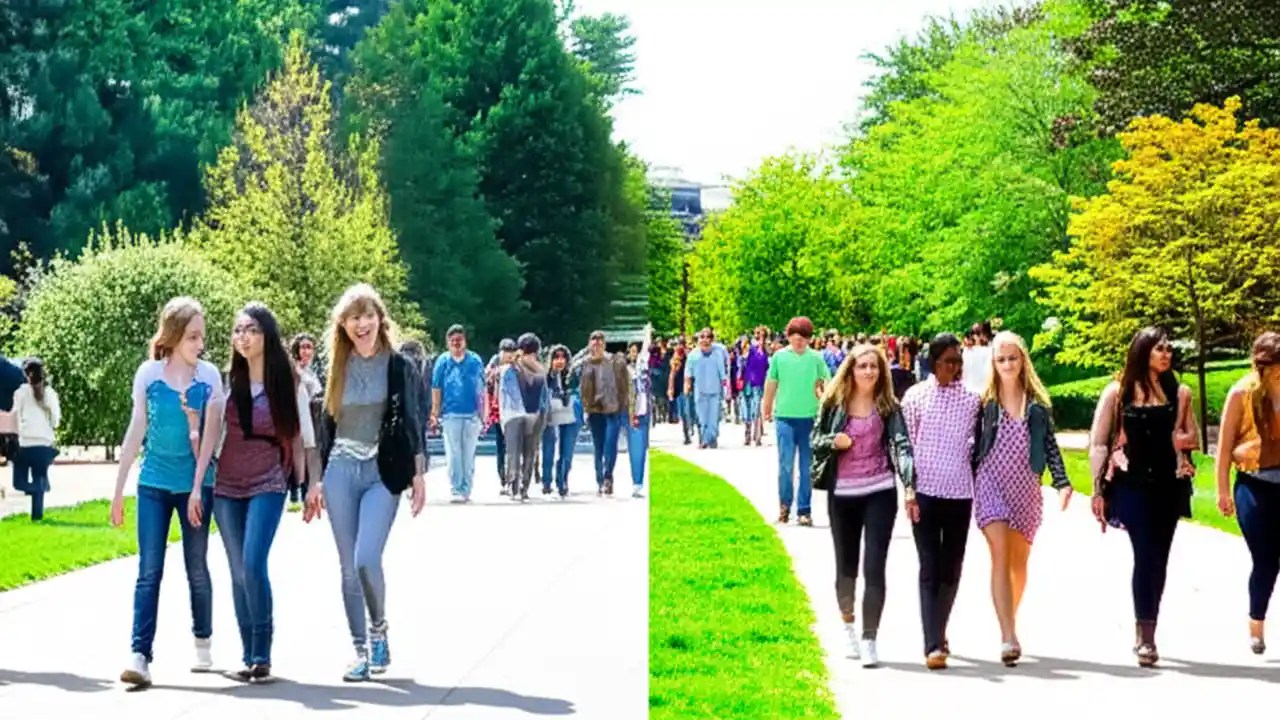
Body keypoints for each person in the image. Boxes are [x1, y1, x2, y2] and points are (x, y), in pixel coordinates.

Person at [198, 303, 318, 683]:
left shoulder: (290, 381)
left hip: (269, 480)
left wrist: (309, 484)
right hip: (227, 484)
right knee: (237, 571)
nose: (242, 337)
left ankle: (262, 655)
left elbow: (305, 439)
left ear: (266, 334)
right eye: (237, 331)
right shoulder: (225, 382)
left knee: (252, 564)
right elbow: (211, 436)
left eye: (250, 329)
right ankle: (249, 655)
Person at [112, 297, 224, 687]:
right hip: (154, 483)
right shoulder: (148, 374)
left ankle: (202, 640)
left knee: (196, 566)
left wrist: (196, 488)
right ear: (174, 336)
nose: (200, 344)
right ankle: (139, 655)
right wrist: (118, 490)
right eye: (193, 336)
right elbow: (135, 430)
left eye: (202, 337)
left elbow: (210, 442)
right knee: (149, 570)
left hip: (196, 486)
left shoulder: (209, 378)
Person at [317, 283, 427, 682]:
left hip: (383, 469)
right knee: (347, 568)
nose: (362, 323)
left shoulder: (399, 366)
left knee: (366, 558)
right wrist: (314, 482)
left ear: (380, 319)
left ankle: (379, 627)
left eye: (368, 315)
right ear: (343, 326)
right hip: (341, 471)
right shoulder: (335, 368)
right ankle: (361, 651)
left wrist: (418, 475)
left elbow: (412, 422)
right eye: (353, 317)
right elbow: (323, 429)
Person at [1088, 327, 1198, 667]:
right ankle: (1144, 635)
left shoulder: (1177, 392)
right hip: (1131, 485)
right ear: (1142, 352)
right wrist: (1096, 489)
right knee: (1145, 554)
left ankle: (1149, 622)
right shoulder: (1118, 393)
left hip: (1168, 484)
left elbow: (1191, 436)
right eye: (1158, 349)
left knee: (1159, 559)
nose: (1165, 355)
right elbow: (1099, 442)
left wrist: (1182, 440)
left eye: (1168, 350)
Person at [971, 331, 1072, 665]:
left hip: (1026, 487)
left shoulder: (1037, 406)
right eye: (1001, 359)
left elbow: (1050, 446)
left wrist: (1062, 481)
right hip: (990, 481)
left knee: (1019, 563)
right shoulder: (985, 404)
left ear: (1023, 360)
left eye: (1012, 358)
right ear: (993, 364)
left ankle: (1009, 619)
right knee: (999, 553)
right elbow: (971, 446)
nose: (1007, 364)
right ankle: (1007, 635)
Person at [811, 344, 914, 667]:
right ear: (851, 370)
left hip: (880, 491)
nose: (868, 371)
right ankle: (847, 624)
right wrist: (834, 441)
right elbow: (815, 440)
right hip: (843, 494)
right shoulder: (833, 404)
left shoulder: (889, 407)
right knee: (847, 566)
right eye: (862, 366)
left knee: (874, 567)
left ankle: (870, 638)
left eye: (874, 366)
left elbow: (901, 445)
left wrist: (909, 484)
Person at [900, 332, 980, 670]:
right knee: (929, 566)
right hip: (925, 494)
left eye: (959, 361)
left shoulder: (972, 401)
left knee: (952, 567)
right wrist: (908, 489)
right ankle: (931, 642)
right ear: (934, 363)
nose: (955, 367)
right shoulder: (916, 397)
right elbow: (904, 446)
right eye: (949, 361)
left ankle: (941, 628)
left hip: (960, 493)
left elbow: (978, 444)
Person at [1215, 331, 1280, 655]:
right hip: (1253, 483)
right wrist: (1223, 491)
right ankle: (1257, 624)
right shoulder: (1241, 393)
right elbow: (1224, 447)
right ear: (1264, 365)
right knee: (1266, 559)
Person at [762, 317, 830, 526]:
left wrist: (826, 405)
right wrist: (767, 407)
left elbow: (827, 384)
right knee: (785, 465)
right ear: (789, 337)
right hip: (785, 417)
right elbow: (771, 383)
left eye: (803, 337)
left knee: (807, 466)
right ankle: (784, 506)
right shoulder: (779, 358)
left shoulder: (816, 359)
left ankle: (804, 509)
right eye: (794, 337)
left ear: (810, 339)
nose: (799, 341)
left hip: (809, 418)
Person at [430, 325, 486, 503]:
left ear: (465, 341)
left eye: (459, 340)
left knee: (468, 454)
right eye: (452, 340)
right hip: (450, 414)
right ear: (448, 342)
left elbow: (482, 389)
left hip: (471, 414)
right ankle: (456, 488)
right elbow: (436, 388)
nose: (456, 343)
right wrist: (435, 412)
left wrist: (483, 414)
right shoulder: (442, 361)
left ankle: (466, 488)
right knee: (454, 453)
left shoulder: (475, 360)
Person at [496, 333, 549, 501]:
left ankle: (514, 486)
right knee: (529, 452)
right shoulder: (539, 368)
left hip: (512, 414)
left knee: (513, 452)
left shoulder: (509, 368)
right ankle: (523, 487)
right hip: (534, 414)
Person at [580, 329, 630, 496]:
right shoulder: (584, 363)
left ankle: (608, 476)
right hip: (595, 410)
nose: (597, 344)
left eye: (600, 341)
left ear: (605, 344)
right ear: (589, 344)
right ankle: (600, 480)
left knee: (610, 444)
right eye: (594, 341)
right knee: (598, 446)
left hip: (613, 409)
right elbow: (579, 387)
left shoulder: (615, 361)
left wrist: (624, 406)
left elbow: (624, 385)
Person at [11, 358, 60, 521]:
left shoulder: (20, 393)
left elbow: (15, 418)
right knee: (39, 477)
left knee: (18, 483)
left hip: (25, 445)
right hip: (45, 446)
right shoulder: (50, 394)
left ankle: (38, 487)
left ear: (25, 374)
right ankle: (37, 515)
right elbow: (56, 422)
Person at [542, 344, 581, 498]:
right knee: (548, 449)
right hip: (550, 416)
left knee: (567, 451)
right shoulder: (546, 377)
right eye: (556, 357)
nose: (559, 361)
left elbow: (578, 391)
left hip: (569, 414)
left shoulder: (572, 376)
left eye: (562, 357)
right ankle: (546, 482)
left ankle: (562, 481)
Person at [685, 328, 728, 449]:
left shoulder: (718, 354)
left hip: (715, 392)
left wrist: (726, 390)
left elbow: (723, 375)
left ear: (712, 340)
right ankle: (704, 439)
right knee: (702, 418)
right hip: (700, 391)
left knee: (713, 419)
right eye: (702, 337)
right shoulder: (693, 355)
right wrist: (687, 387)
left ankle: (711, 438)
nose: (705, 340)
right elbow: (688, 373)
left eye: (708, 337)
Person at [627, 324, 653, 498]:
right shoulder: (626, 370)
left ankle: (640, 481)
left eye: (638, 350)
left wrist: (647, 334)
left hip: (645, 411)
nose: (636, 354)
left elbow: (647, 349)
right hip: (633, 413)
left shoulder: (644, 368)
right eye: (633, 351)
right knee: (635, 449)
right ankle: (636, 483)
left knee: (642, 449)